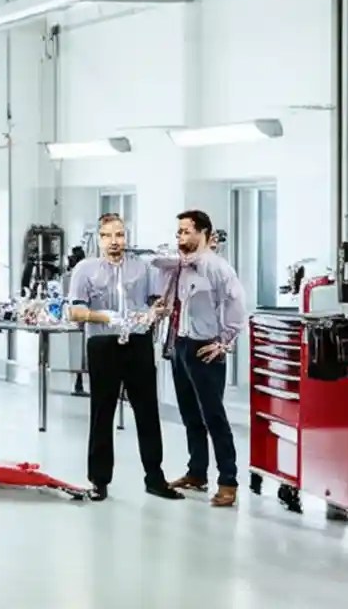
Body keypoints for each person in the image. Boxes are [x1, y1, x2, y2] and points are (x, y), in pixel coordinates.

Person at [66, 213, 183, 502]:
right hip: (103, 343)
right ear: (100, 238)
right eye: (108, 235)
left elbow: (156, 302)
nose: (115, 241)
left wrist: (158, 309)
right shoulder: (86, 269)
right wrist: (101, 316)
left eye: (119, 235)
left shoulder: (142, 269)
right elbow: (75, 312)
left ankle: (154, 477)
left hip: (137, 343)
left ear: (126, 237)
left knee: (147, 411)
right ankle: (99, 480)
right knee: (102, 413)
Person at [154, 210, 247, 508]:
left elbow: (235, 307)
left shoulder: (217, 268)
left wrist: (224, 342)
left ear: (203, 232)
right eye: (178, 232)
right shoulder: (181, 267)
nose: (180, 237)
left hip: (206, 348)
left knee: (214, 417)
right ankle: (197, 473)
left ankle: (228, 481)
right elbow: (156, 262)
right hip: (180, 344)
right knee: (190, 415)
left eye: (185, 231)